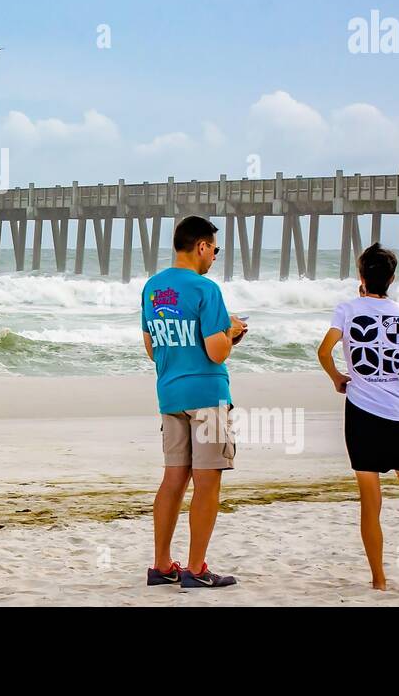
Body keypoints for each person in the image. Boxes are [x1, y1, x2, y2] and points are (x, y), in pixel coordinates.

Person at [317, 243, 399, 591]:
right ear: (392, 278)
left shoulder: (347, 309)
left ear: (361, 276)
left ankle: (379, 580)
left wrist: (339, 378)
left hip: (360, 415)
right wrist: (390, 375)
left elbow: (324, 351)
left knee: (370, 503)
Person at [142, 215, 247, 589]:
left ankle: (160, 565)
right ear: (201, 246)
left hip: (169, 394)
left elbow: (152, 348)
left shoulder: (152, 289)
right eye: (214, 249)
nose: (214, 257)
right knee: (207, 482)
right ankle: (197, 568)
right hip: (206, 394)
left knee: (173, 478)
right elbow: (216, 352)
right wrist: (232, 331)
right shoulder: (206, 289)